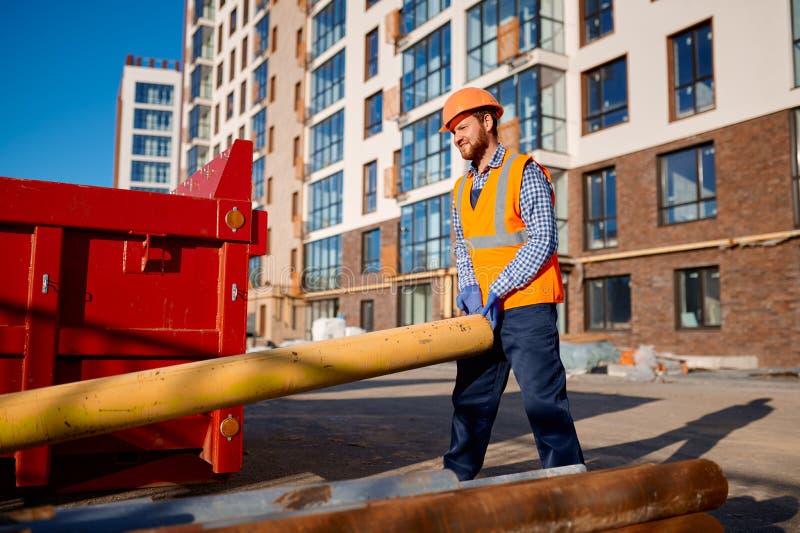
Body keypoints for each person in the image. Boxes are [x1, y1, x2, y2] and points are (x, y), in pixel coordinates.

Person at [441, 87, 584, 481]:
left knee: (544, 403)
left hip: (526, 307)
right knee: (470, 402)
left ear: (487, 122)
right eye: (453, 132)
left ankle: (568, 484)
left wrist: (497, 288)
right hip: (481, 313)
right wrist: (471, 291)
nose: (457, 138)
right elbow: (464, 247)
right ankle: (455, 481)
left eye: (463, 127)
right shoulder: (459, 189)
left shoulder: (525, 171)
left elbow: (542, 239)